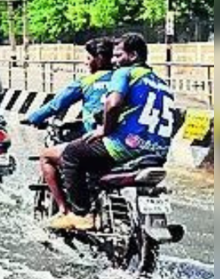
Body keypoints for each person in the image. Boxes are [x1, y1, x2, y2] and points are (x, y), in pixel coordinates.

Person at [53, 33, 177, 231]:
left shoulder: (125, 73)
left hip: (126, 146)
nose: (114, 61)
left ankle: (80, 214)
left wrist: (104, 129)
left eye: (119, 55)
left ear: (133, 55)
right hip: (158, 151)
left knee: (72, 154)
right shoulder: (162, 83)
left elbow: (112, 104)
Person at [24, 38, 116, 218]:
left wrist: (32, 118)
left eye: (88, 58)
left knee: (48, 156)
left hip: (97, 142)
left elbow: (55, 105)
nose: (85, 62)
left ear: (97, 59)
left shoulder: (86, 82)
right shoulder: (124, 79)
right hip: (124, 142)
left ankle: (67, 211)